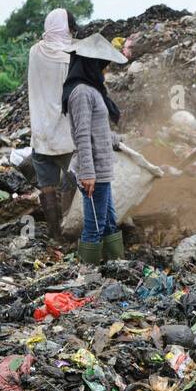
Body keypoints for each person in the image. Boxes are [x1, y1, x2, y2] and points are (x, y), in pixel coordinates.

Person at [65, 33, 128, 265]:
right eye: (104, 67)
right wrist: (88, 173)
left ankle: (116, 266)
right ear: (93, 65)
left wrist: (118, 140)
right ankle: (87, 273)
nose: (105, 72)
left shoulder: (93, 91)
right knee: (95, 225)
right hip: (92, 171)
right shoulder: (82, 92)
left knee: (110, 221)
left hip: (101, 168)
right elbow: (82, 134)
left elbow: (97, 130)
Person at [27, 8, 76, 241]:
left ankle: (55, 235)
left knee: (47, 186)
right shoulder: (71, 55)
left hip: (40, 133)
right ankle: (71, 229)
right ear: (67, 28)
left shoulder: (34, 52)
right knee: (72, 183)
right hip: (67, 135)